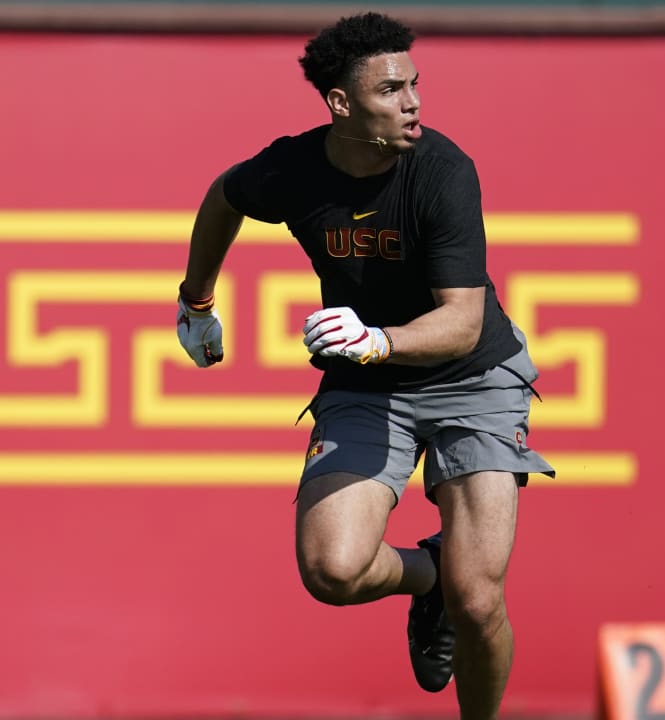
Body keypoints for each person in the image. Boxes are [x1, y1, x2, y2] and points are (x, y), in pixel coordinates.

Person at [174, 12, 555, 719]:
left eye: (414, 85)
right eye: (390, 89)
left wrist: (377, 338)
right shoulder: (292, 169)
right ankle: (430, 574)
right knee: (334, 570)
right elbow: (225, 195)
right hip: (365, 383)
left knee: (480, 601)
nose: (412, 102)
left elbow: (461, 324)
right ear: (341, 103)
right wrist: (195, 300)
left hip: (472, 379)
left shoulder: (442, 171)